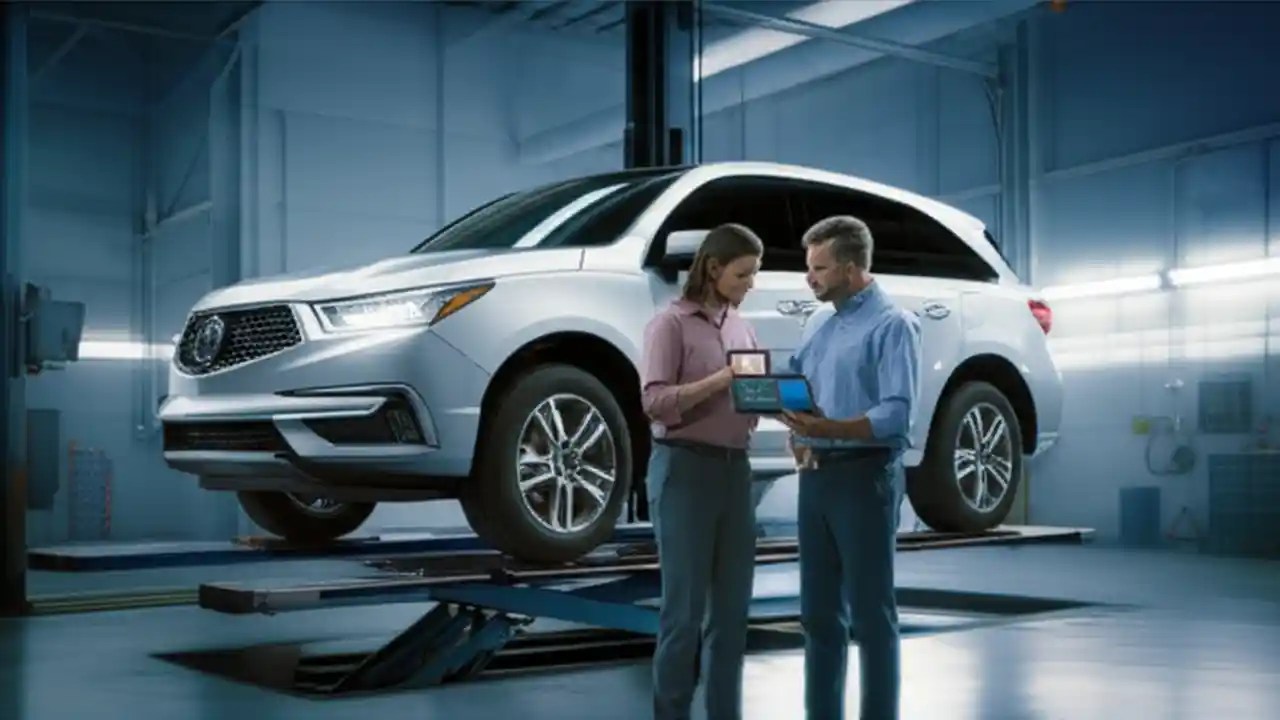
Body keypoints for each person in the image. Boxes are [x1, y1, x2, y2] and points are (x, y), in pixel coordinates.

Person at [778, 215, 922, 720]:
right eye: (808, 267)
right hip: (816, 475)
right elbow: (798, 382)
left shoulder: (893, 325)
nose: (809, 278)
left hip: (865, 476)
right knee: (818, 614)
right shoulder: (818, 323)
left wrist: (830, 429)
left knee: (871, 614)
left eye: (819, 268)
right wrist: (797, 430)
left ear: (853, 267)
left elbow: (896, 414)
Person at [640, 222, 765, 720]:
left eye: (754, 273)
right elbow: (655, 403)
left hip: (737, 474)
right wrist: (721, 379)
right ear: (713, 268)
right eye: (743, 273)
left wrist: (782, 405)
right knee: (684, 616)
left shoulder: (742, 325)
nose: (750, 283)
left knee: (731, 618)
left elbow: (751, 392)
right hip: (684, 471)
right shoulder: (668, 325)